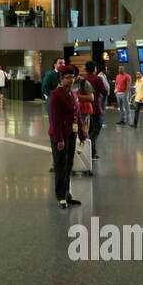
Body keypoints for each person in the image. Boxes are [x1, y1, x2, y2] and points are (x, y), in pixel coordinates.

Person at [49, 65, 84, 209]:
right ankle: (61, 196)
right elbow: (55, 119)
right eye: (68, 77)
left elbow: (78, 115)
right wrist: (59, 139)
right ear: (61, 79)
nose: (71, 80)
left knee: (69, 164)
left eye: (72, 77)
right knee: (60, 165)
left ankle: (67, 194)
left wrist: (82, 134)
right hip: (60, 135)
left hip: (71, 133)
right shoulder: (55, 95)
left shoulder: (73, 94)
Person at [82, 61, 108, 160]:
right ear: (94, 69)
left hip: (85, 107)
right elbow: (104, 92)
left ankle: (92, 151)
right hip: (95, 107)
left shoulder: (83, 78)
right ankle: (90, 146)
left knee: (89, 128)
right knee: (97, 126)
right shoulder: (97, 79)